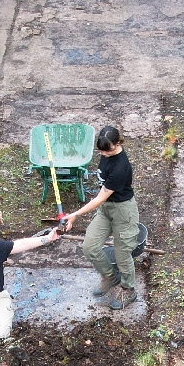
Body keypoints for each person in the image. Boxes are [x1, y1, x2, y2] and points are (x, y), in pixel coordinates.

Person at [60, 125, 141, 309]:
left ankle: (129, 290)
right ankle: (110, 276)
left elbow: (99, 198)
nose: (104, 154)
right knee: (89, 246)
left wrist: (75, 215)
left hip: (123, 211)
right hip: (106, 209)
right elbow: (102, 200)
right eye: (101, 151)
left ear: (118, 143)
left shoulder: (121, 167)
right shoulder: (107, 152)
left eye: (108, 150)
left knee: (122, 255)